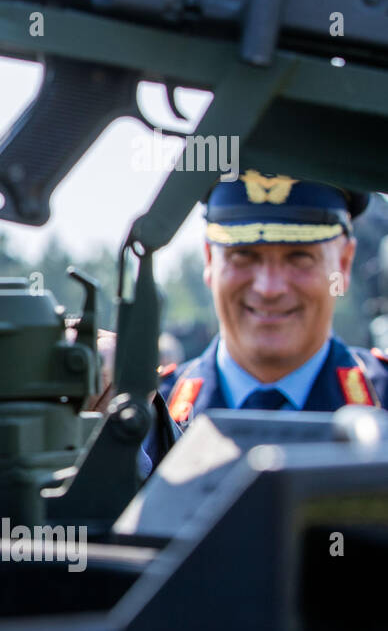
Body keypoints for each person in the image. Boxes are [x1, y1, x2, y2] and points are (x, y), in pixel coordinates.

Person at [156, 171, 388, 439]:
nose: (269, 288)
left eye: (299, 256)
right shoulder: (145, 423)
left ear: (343, 266)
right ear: (209, 261)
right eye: (243, 254)